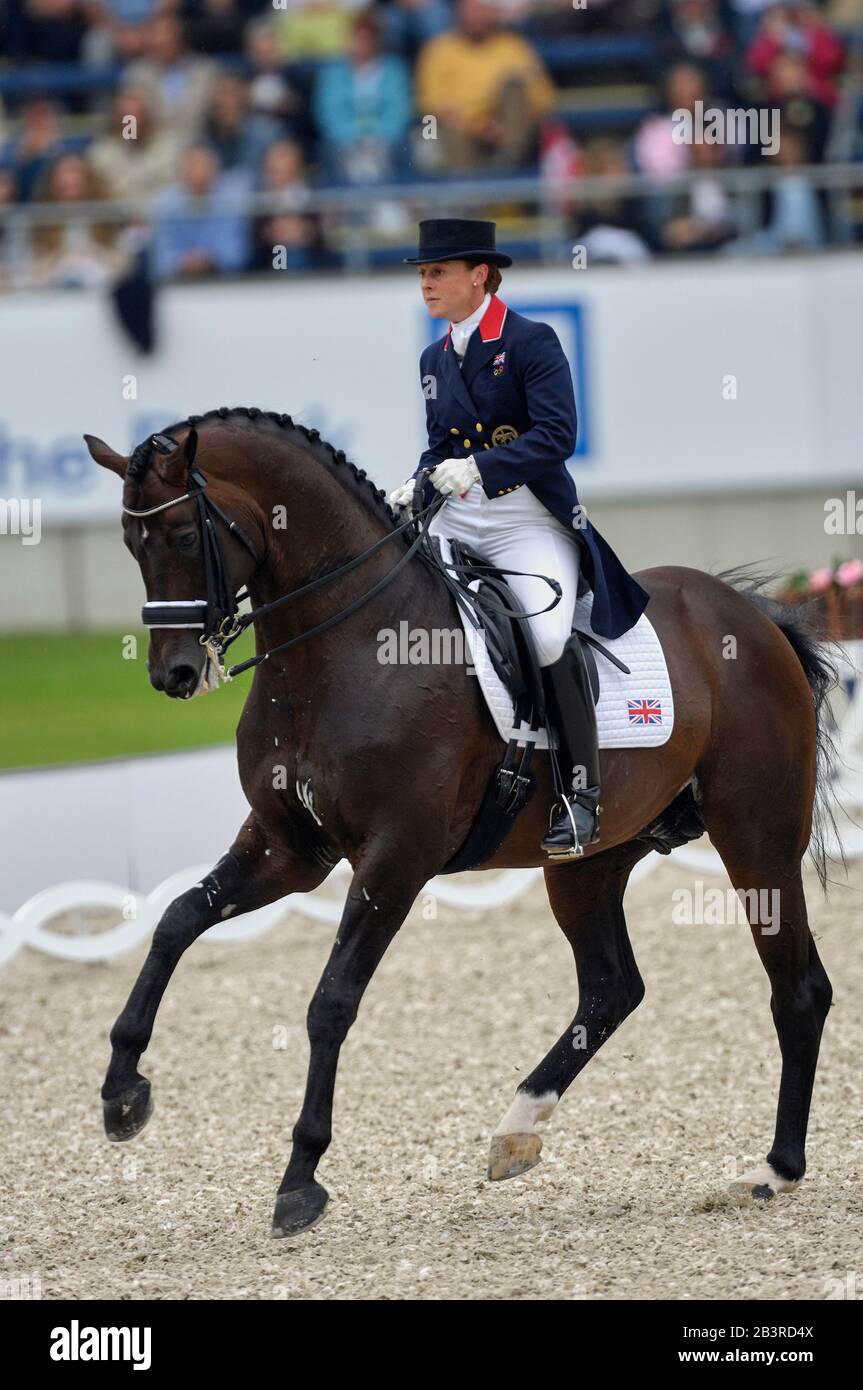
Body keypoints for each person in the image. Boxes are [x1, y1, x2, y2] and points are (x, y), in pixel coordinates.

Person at [389, 219, 649, 858]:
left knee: (549, 634)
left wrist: (478, 468)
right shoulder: (433, 357)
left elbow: (557, 437)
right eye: (423, 273)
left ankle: (581, 794)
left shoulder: (531, 341)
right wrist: (420, 480)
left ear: (479, 275)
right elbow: (441, 445)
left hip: (526, 518)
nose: (426, 282)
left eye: (438, 271)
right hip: (458, 513)